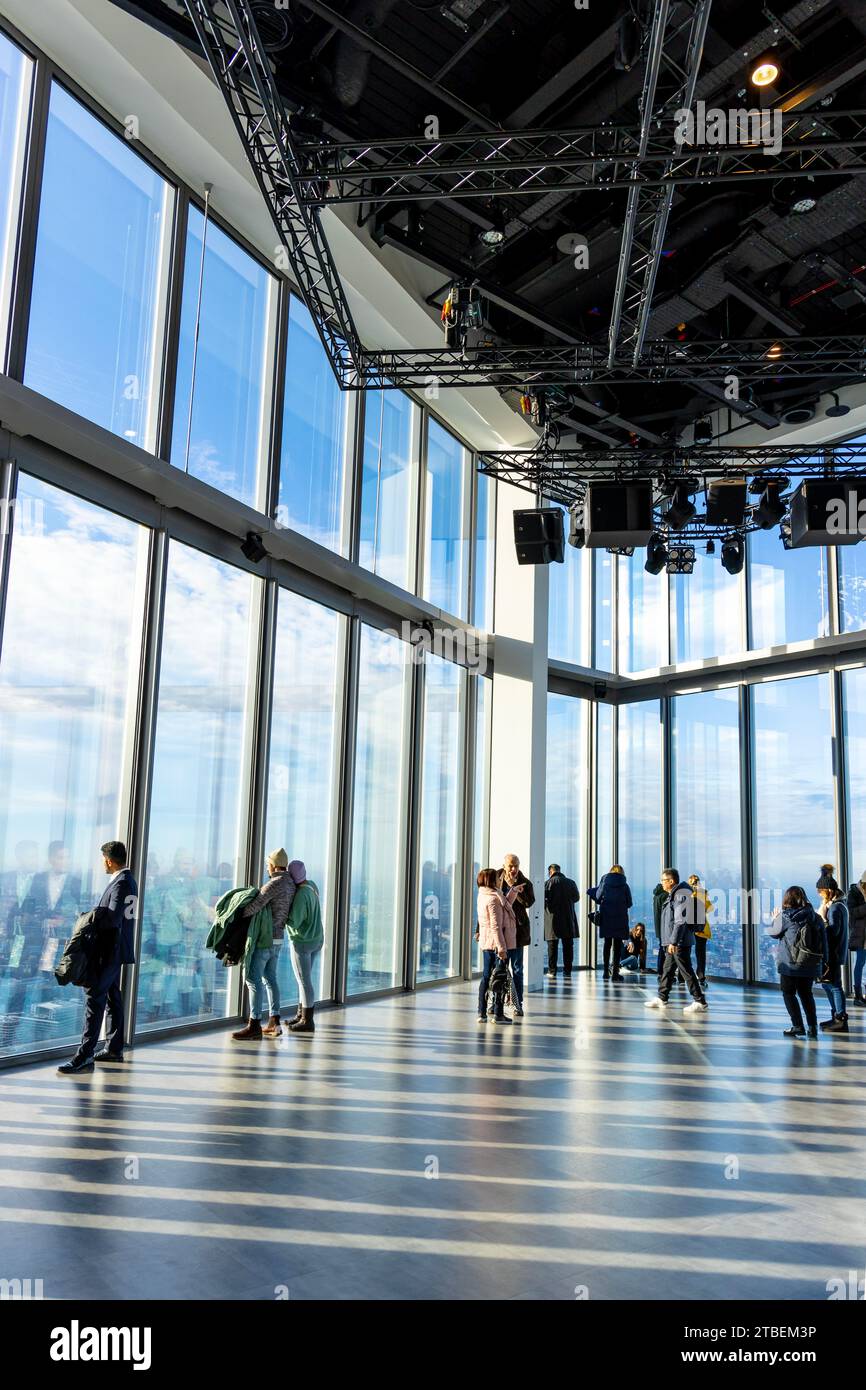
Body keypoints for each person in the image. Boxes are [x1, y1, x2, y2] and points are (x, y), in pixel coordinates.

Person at [57, 841, 137, 1074]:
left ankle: (84, 1055)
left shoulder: (121, 883)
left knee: (94, 997)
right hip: (115, 950)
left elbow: (111, 920)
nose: (102, 863)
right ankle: (113, 1048)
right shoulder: (127, 881)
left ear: (109, 860)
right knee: (113, 998)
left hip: (109, 952)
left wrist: (88, 916)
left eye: (103, 858)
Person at [231, 848, 295, 1040]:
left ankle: (254, 1025)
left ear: (274, 865)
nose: (267, 868)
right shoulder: (291, 883)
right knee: (270, 978)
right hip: (279, 938)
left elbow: (254, 907)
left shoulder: (274, 884)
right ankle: (274, 1021)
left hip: (264, 938)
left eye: (268, 864)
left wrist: (235, 914)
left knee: (252, 979)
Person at [767, 886, 827, 1039]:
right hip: (810, 963)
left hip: (790, 964)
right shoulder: (815, 917)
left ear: (787, 900)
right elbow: (824, 942)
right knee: (807, 994)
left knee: (788, 993)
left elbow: (773, 933)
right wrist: (824, 963)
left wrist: (775, 919)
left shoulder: (785, 917)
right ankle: (812, 1028)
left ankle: (797, 1025)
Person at [645, 867, 708, 1013]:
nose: (661, 883)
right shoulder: (674, 894)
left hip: (679, 942)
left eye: (663, 880)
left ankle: (700, 1000)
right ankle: (662, 998)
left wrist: (673, 942)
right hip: (673, 941)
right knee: (667, 970)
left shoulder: (680, 895)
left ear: (671, 881)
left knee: (686, 970)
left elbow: (680, 921)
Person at [476, 868, 519, 1024]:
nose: (500, 880)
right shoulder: (493, 898)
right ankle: (498, 1014)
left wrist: (513, 891)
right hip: (496, 944)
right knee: (499, 979)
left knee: (487, 977)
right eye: (497, 878)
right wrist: (501, 949)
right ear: (491, 880)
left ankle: (482, 1012)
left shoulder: (485, 895)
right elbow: (496, 926)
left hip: (487, 943)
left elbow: (505, 905)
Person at [285, 860, 324, 1034]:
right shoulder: (313, 886)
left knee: (304, 981)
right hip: (317, 939)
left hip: (302, 942)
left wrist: (282, 911)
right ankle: (301, 1015)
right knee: (305, 980)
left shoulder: (301, 896)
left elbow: (294, 921)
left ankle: (307, 1021)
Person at [496, 854, 535, 1018]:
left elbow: (529, 903)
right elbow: (488, 905)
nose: (514, 869)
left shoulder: (525, 883)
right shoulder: (495, 879)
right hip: (500, 932)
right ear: (504, 865)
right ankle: (497, 1002)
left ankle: (517, 1004)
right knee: (499, 970)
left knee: (517, 969)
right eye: (511, 866)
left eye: (516, 866)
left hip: (518, 932)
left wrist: (515, 888)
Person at [817, 865, 849, 1034]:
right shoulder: (838, 905)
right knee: (828, 985)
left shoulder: (835, 908)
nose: (818, 894)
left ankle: (840, 1019)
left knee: (835, 985)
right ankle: (836, 1016)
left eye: (820, 891)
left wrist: (822, 919)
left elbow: (832, 931)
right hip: (834, 953)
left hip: (833, 954)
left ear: (827, 891)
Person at [588, 865, 631, 980]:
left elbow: (598, 897)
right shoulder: (625, 885)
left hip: (606, 917)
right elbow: (629, 903)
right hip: (620, 918)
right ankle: (615, 974)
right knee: (617, 946)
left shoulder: (604, 883)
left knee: (607, 944)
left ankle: (605, 972)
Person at [544, 864, 579, 978]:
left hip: (552, 918)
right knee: (568, 946)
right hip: (567, 917)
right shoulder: (570, 882)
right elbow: (576, 898)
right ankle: (567, 970)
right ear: (559, 871)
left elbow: (544, 900)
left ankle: (552, 970)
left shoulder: (547, 883)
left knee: (552, 945)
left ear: (550, 872)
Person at [845, 870, 866, 1007]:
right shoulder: (853, 892)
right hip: (861, 935)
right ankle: (857, 996)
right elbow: (852, 914)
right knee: (860, 963)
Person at [687, 873, 712, 986]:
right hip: (699, 927)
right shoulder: (695, 894)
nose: (694, 885)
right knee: (696, 953)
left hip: (694, 928)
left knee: (690, 952)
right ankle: (698, 977)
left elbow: (708, 908)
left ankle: (696, 977)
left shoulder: (694, 894)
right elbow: (708, 908)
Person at [652, 880, 668, 975]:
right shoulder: (665, 896)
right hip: (664, 926)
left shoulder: (656, 896)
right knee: (664, 950)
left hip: (659, 927)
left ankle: (660, 971)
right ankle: (663, 972)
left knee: (662, 948)